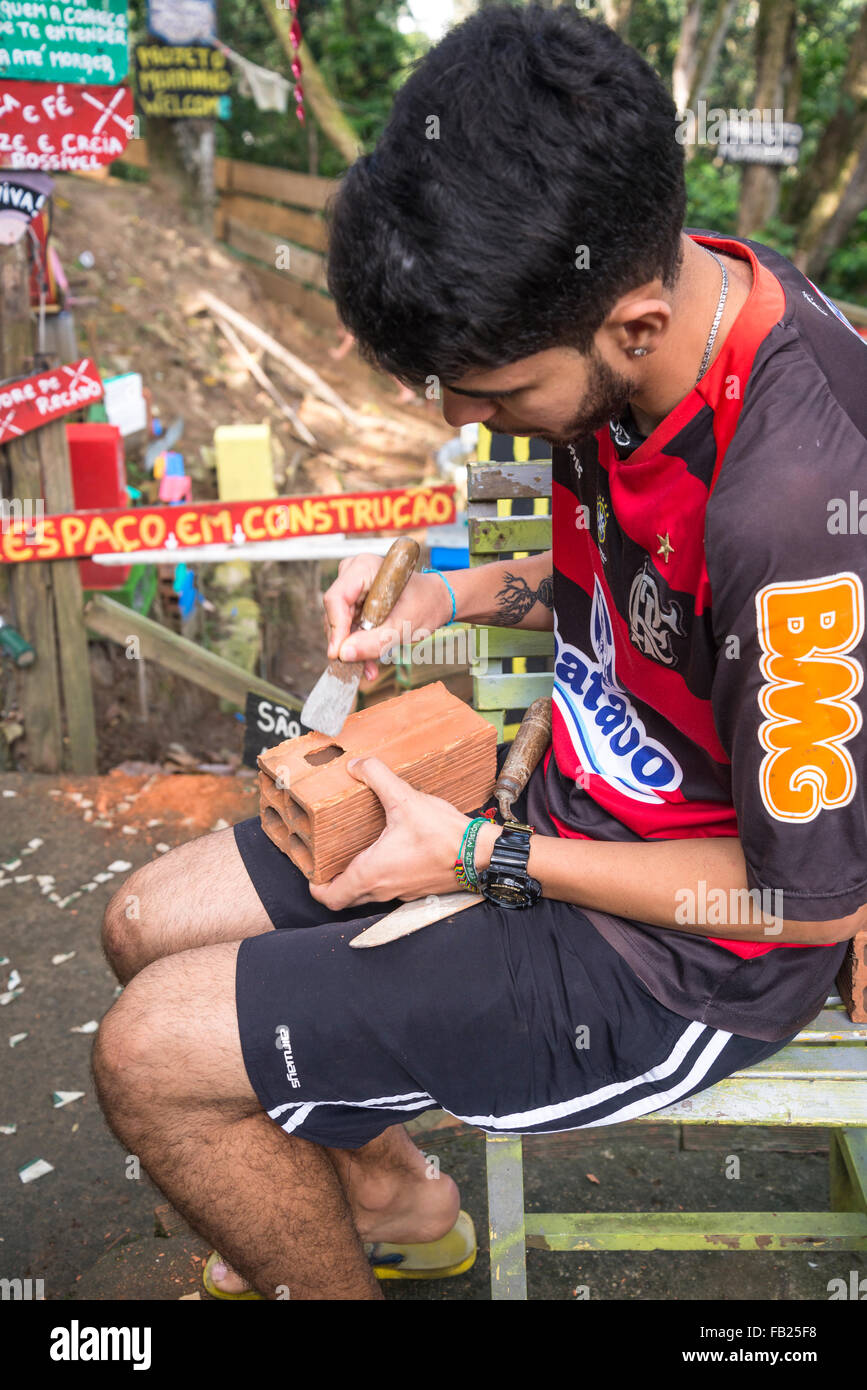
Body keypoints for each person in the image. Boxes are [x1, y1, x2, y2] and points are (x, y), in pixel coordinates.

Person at [92, 4, 867, 1301]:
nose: (468, 425)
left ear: (629, 325)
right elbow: (621, 578)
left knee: (147, 1056)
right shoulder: (658, 299)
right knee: (140, 922)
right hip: (555, 809)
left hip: (681, 962)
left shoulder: (796, 509)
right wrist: (446, 595)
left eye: (497, 396)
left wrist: (476, 855)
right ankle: (399, 1202)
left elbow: (808, 902)